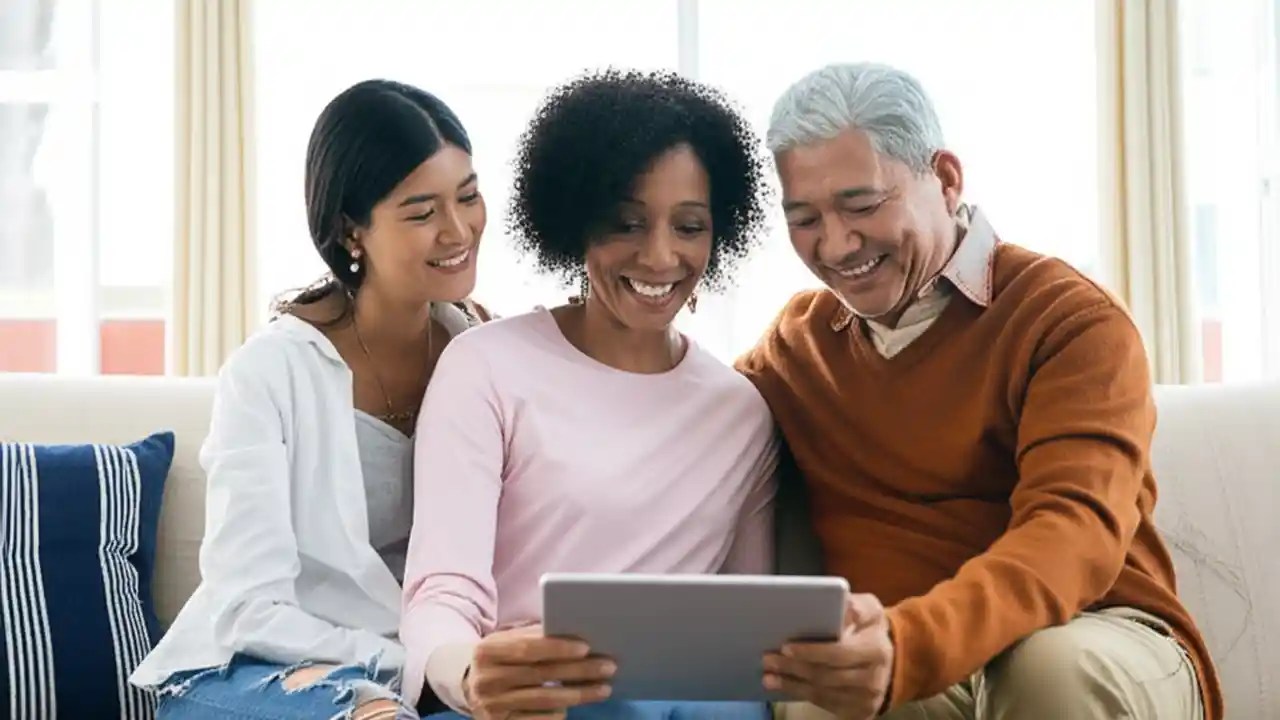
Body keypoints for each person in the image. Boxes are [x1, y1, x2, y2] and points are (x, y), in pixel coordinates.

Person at [736, 62, 1223, 720]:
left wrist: (907, 646)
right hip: (905, 661)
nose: (836, 244)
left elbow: (1069, 534)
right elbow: (677, 425)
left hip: (1097, 630)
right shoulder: (798, 346)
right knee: (827, 702)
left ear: (945, 178)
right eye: (804, 218)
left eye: (861, 205)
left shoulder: (1067, 321)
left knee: (1047, 669)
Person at [399, 69, 778, 720]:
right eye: (626, 224)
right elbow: (443, 591)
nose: (660, 257)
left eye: (689, 226)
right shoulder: (486, 367)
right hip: (520, 697)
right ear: (576, 225)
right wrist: (468, 675)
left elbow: (743, 624)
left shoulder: (741, 413)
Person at [129, 79, 490, 720]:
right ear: (352, 231)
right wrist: (418, 665)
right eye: (421, 211)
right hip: (252, 668)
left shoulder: (483, 354)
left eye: (467, 196)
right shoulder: (270, 373)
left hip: (424, 672)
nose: (458, 229)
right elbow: (247, 609)